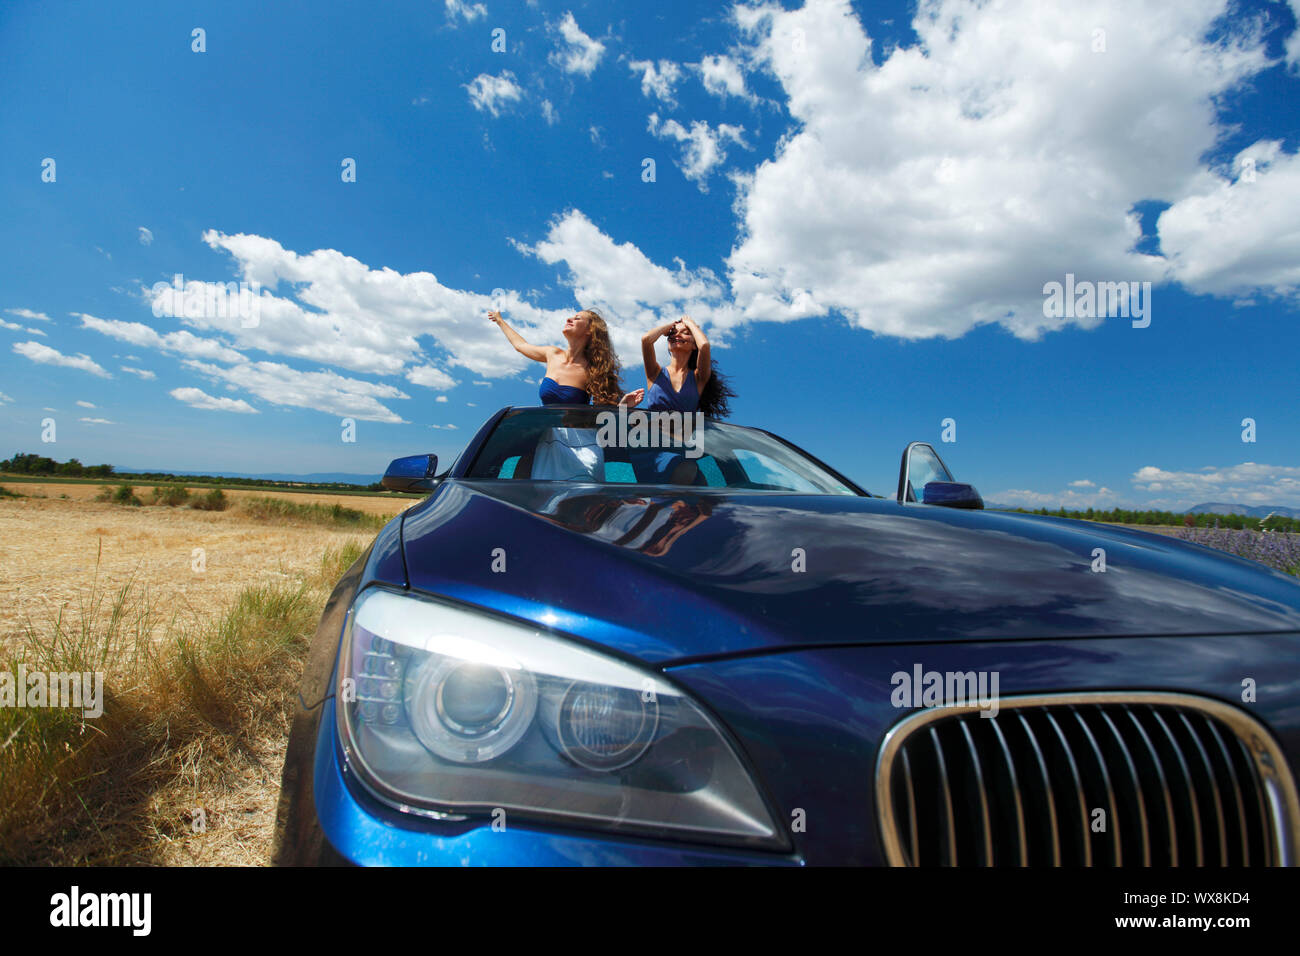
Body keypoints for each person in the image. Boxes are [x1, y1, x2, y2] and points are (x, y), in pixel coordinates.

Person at [630, 315, 735, 483]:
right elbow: (646, 340)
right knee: (686, 474)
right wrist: (670, 327)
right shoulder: (655, 373)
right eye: (674, 333)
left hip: (681, 450)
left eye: (685, 333)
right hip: (652, 450)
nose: (677, 335)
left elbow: (705, 345)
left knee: (694, 486)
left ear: (693, 345)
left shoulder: (698, 377)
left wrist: (691, 323)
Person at [488, 308, 637, 406]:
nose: (569, 319)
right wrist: (500, 321)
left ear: (589, 330)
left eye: (577, 318)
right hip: (547, 437)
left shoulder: (594, 369)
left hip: (577, 442)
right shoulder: (552, 354)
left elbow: (601, 414)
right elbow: (520, 346)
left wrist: (622, 407)